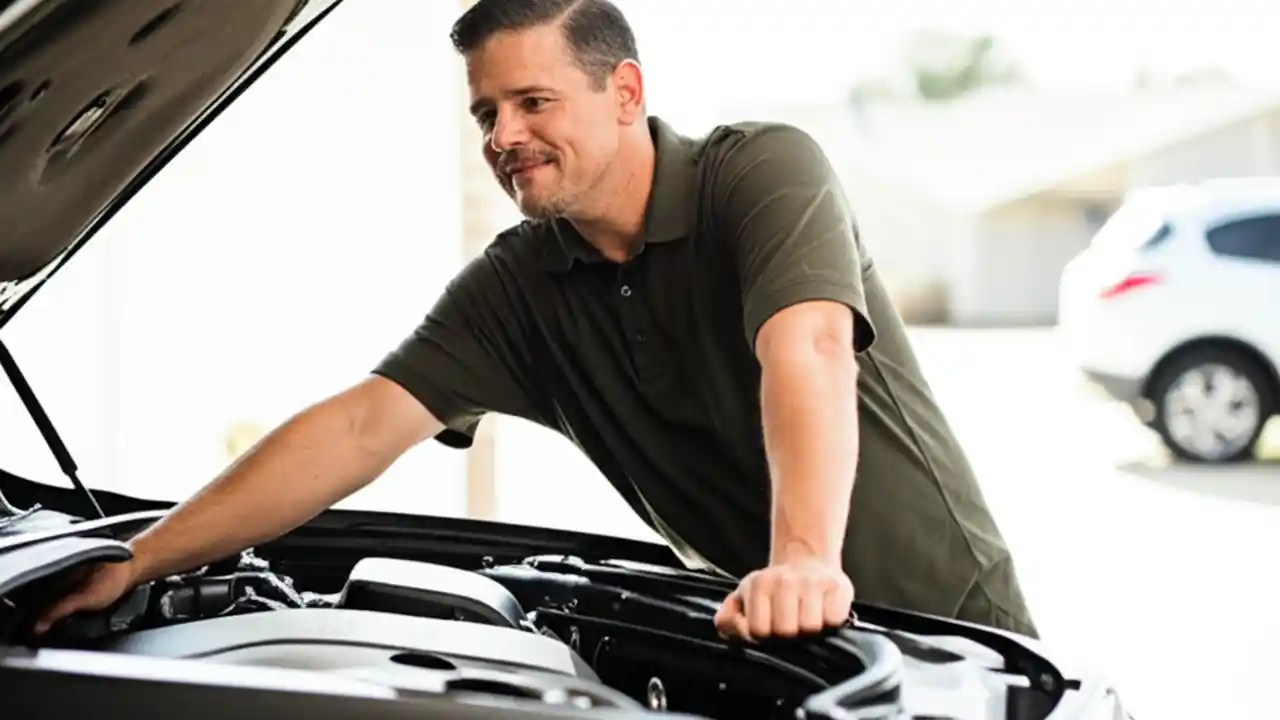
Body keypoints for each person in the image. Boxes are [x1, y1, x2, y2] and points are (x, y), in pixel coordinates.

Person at [35, 0, 1037, 641]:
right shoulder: (518, 285)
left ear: (624, 93)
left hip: (945, 629)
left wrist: (806, 559)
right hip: (768, 640)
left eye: (530, 102)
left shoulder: (758, 173)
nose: (503, 137)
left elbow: (807, 347)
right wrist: (141, 557)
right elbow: (353, 429)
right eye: (484, 114)